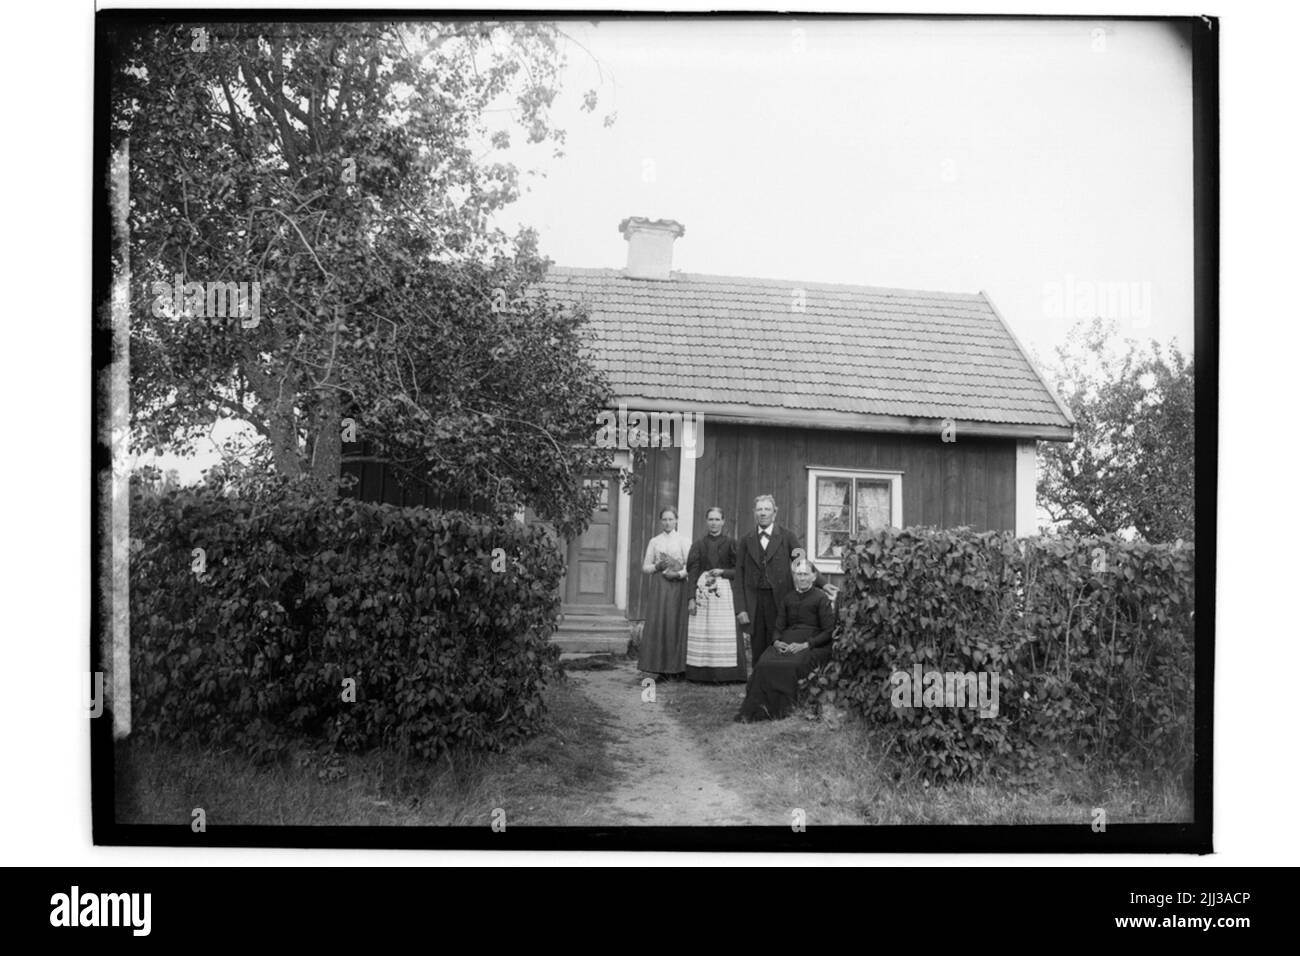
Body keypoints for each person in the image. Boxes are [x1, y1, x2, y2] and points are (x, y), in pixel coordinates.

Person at [736, 559, 835, 722]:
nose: (802, 578)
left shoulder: (821, 598)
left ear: (813, 576)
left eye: (805, 574)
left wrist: (806, 645)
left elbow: (829, 631)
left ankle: (786, 708)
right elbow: (779, 626)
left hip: (812, 643)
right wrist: (776, 642)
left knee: (794, 665)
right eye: (798, 575)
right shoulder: (788, 598)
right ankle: (760, 707)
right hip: (786, 642)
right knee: (763, 663)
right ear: (794, 577)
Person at [734, 494, 825, 667]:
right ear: (754, 513)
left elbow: (802, 562)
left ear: (774, 513)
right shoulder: (746, 540)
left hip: (781, 599)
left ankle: (778, 686)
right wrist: (740, 609)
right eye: (759, 509)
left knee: (780, 641)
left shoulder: (787, 536)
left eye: (767, 509)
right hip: (755, 602)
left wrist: (823, 583)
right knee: (758, 644)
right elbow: (738, 576)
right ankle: (757, 687)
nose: (763, 513)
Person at [684, 506, 745, 683]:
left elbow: (740, 571)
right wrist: (691, 598)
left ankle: (727, 674)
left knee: (723, 630)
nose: (714, 523)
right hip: (703, 592)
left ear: (723, 521)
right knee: (703, 630)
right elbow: (693, 574)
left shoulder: (732, 543)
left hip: (724, 593)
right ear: (706, 521)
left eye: (717, 519)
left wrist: (723, 572)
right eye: (711, 519)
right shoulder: (698, 545)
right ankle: (701, 674)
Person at [638, 505, 690, 679]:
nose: (668, 523)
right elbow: (645, 567)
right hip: (660, 587)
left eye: (671, 519)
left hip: (677, 586)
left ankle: (677, 669)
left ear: (676, 520)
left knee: (675, 623)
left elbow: (691, 567)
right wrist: (656, 566)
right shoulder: (655, 541)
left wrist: (678, 574)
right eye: (665, 519)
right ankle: (658, 667)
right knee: (659, 623)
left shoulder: (683, 540)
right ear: (661, 521)